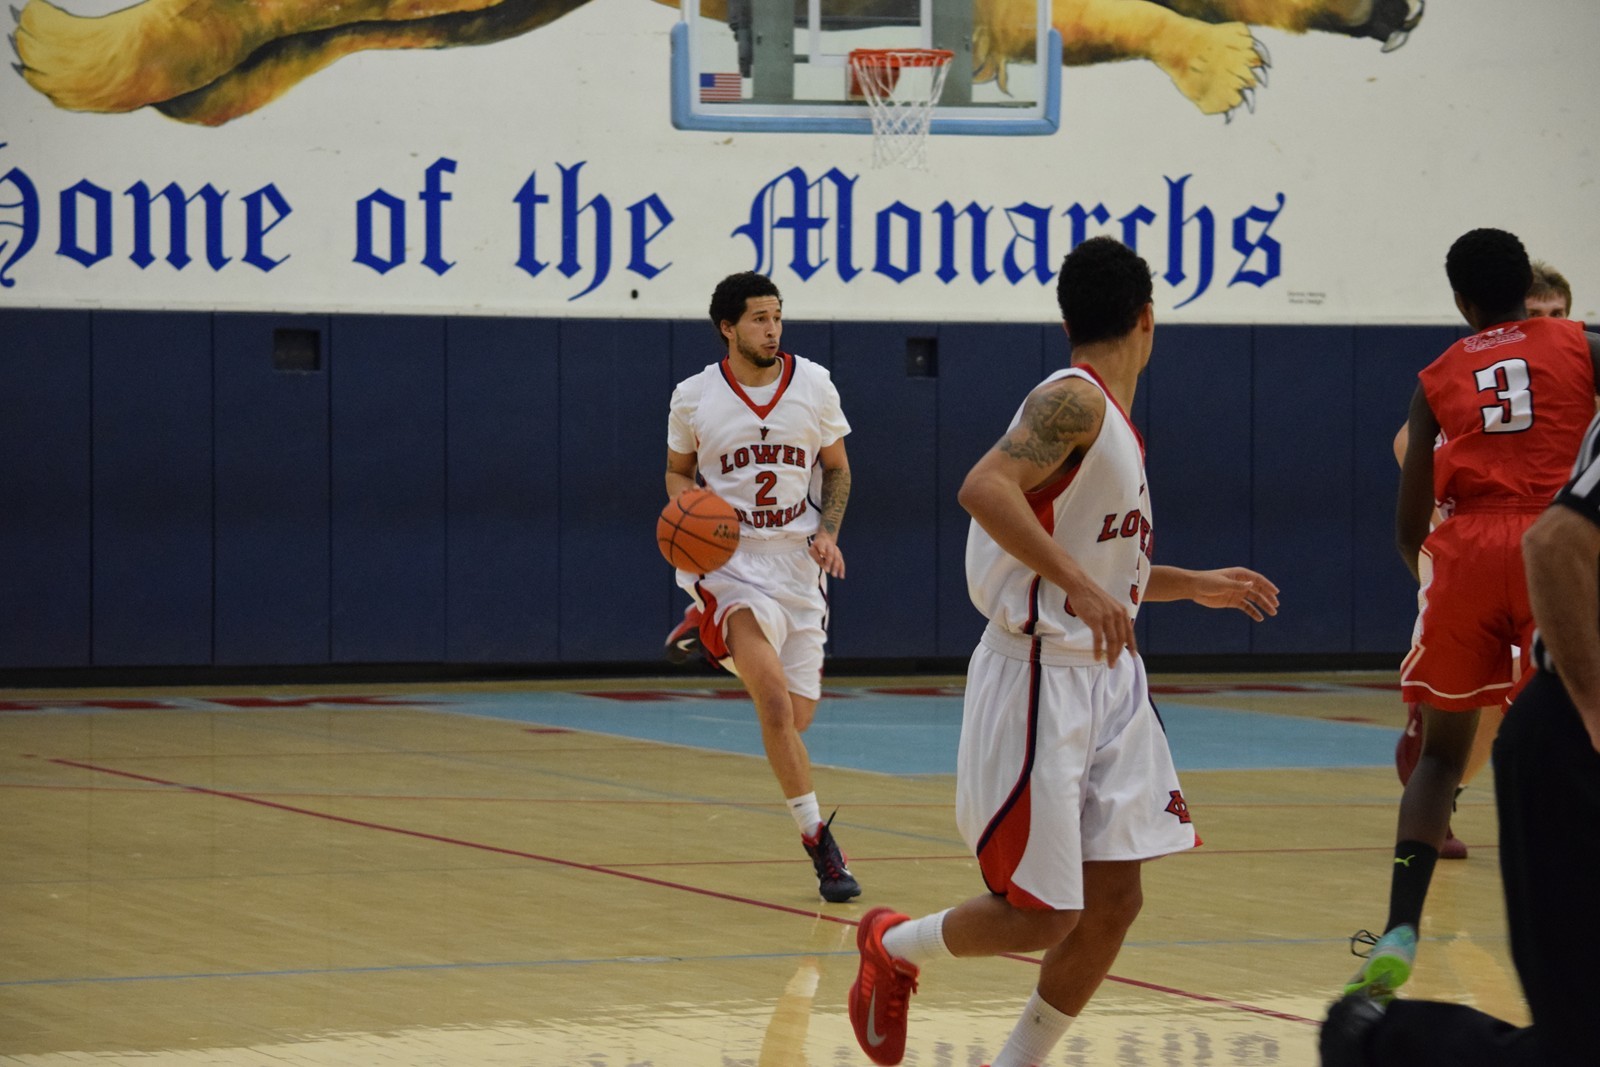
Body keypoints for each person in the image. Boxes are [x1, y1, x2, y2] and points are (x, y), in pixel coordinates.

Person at [845, 236, 1280, 1067]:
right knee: (1044, 912)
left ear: (1067, 315)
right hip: (1040, 673)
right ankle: (892, 945)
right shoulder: (1072, 401)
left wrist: (1191, 583)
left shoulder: (1109, 424)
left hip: (1112, 680)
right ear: (1148, 320)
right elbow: (983, 487)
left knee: (1116, 899)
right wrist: (1079, 582)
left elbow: (1097, 565)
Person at [1346, 229, 1600, 1002]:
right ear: (1529, 286)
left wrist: (1442, 583)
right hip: (1552, 536)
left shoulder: (1436, 377)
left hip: (1461, 549)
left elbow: (1406, 524)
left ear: (1460, 302)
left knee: (1439, 759)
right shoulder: (1582, 343)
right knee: (1578, 730)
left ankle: (1398, 929)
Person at [1321, 409, 1600, 1066]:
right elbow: (1553, 542)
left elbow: (1407, 455)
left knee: (1450, 750)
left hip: (1466, 548)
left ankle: (1398, 933)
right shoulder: (1573, 364)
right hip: (1521, 561)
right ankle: (1372, 1038)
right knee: (1575, 1036)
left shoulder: (1453, 373)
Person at [662, 270, 860, 904]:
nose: (772, 328)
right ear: (729, 327)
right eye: (758, 318)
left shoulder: (815, 385)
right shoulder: (694, 397)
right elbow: (677, 474)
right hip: (731, 564)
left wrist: (828, 532)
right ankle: (820, 847)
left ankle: (707, 636)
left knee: (795, 719)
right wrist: (695, 524)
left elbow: (838, 471)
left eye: (777, 316)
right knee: (772, 702)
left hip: (798, 564)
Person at [1386, 261, 1575, 861]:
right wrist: (1445, 527)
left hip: (1548, 549)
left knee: (1535, 704)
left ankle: (1442, 786)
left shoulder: (1574, 380)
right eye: (1536, 313)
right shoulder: (1469, 374)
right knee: (1493, 709)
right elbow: (1406, 442)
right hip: (1493, 543)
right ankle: (1446, 785)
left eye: (1556, 315)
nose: (1544, 325)